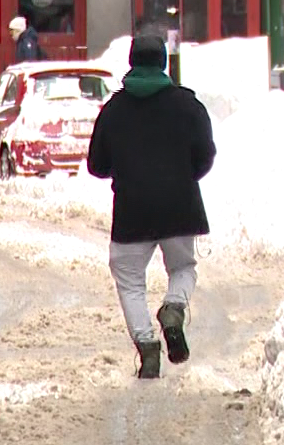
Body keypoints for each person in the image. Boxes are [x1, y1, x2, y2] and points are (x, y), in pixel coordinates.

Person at [85, 33, 215, 379]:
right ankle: (174, 308)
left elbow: (96, 165)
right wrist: (183, 176)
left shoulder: (113, 110)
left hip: (132, 210)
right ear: (163, 63)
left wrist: (127, 169)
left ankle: (147, 348)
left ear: (131, 62)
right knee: (183, 267)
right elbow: (205, 157)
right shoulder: (188, 106)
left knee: (129, 280)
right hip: (179, 206)